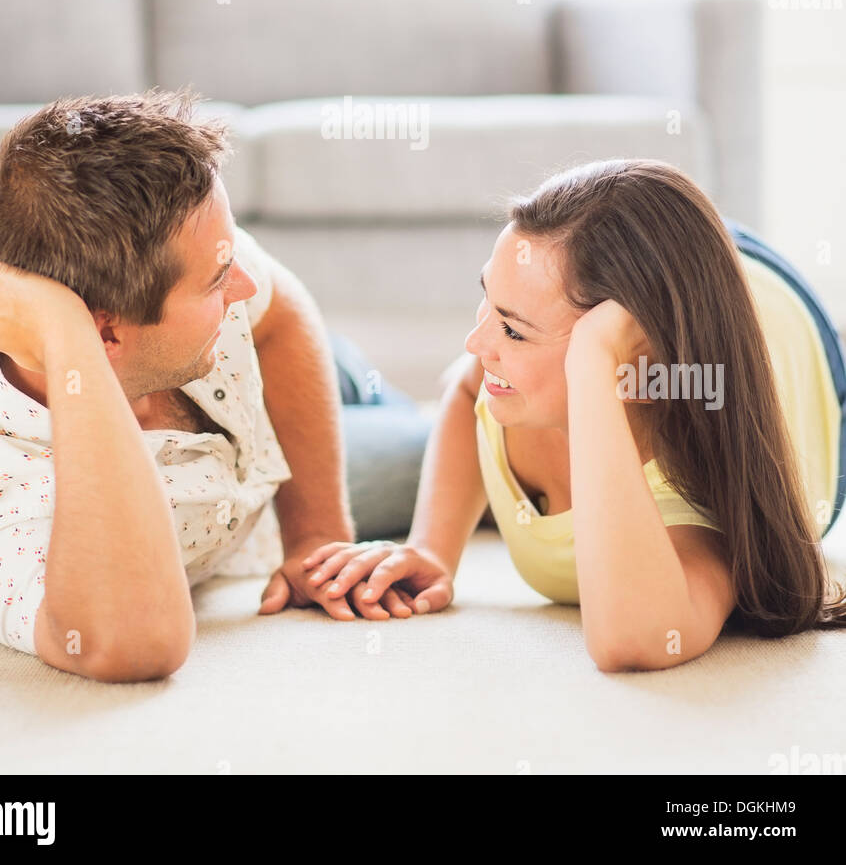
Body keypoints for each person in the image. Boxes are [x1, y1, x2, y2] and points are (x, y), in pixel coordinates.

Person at [0, 90, 430, 682]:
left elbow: (282, 308)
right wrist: (68, 337)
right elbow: (136, 645)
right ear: (105, 332)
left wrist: (317, 537)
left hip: (286, 376)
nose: (244, 281)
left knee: (497, 433)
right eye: (218, 279)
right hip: (237, 475)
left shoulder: (176, 248)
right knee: (463, 448)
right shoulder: (1, 520)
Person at [302, 159, 846, 671]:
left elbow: (628, 641)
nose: (474, 342)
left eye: (513, 329)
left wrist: (594, 355)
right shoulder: (505, 370)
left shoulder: (705, 501)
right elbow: (465, 389)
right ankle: (339, 364)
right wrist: (431, 548)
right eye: (486, 299)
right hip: (675, 259)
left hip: (779, 304)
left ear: (627, 357)